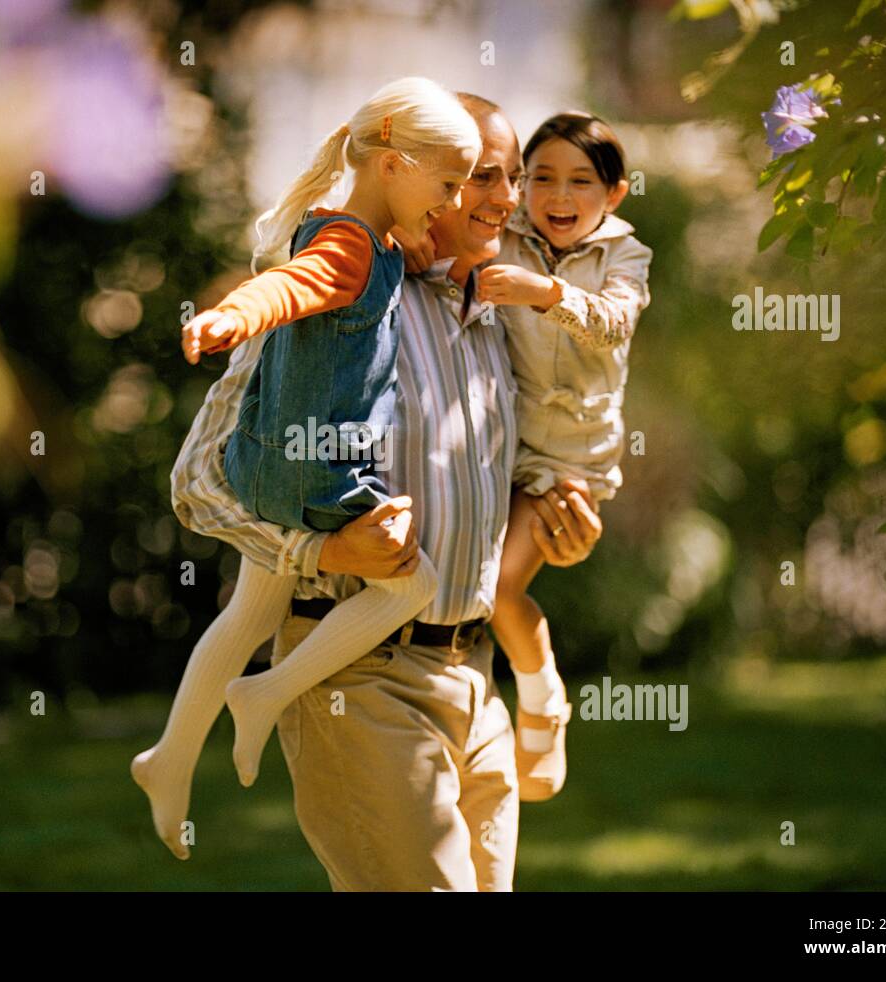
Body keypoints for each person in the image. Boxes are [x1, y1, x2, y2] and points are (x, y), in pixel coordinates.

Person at [169, 93, 603, 890]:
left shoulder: (499, 318)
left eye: (511, 179)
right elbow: (206, 480)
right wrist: (321, 547)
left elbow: (485, 488)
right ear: (419, 176)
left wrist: (548, 529)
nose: (506, 200)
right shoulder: (344, 298)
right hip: (358, 679)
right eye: (478, 177)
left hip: (474, 681)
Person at [131, 76, 481, 860]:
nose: (456, 199)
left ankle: (170, 759)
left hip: (265, 462)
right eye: (448, 181)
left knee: (253, 612)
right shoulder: (349, 245)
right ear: (391, 160)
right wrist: (234, 313)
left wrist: (415, 231)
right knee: (413, 583)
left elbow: (353, 261)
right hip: (314, 475)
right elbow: (296, 285)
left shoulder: (369, 235)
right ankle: (265, 692)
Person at [401, 111, 652, 800]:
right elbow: (447, 244)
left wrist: (547, 293)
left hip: (567, 461)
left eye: (580, 182)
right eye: (539, 179)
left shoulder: (624, 258)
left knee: (500, 587)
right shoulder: (506, 233)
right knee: (473, 585)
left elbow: (613, 323)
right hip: (502, 445)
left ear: (615, 195)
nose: (557, 198)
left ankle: (543, 702)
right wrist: (415, 241)